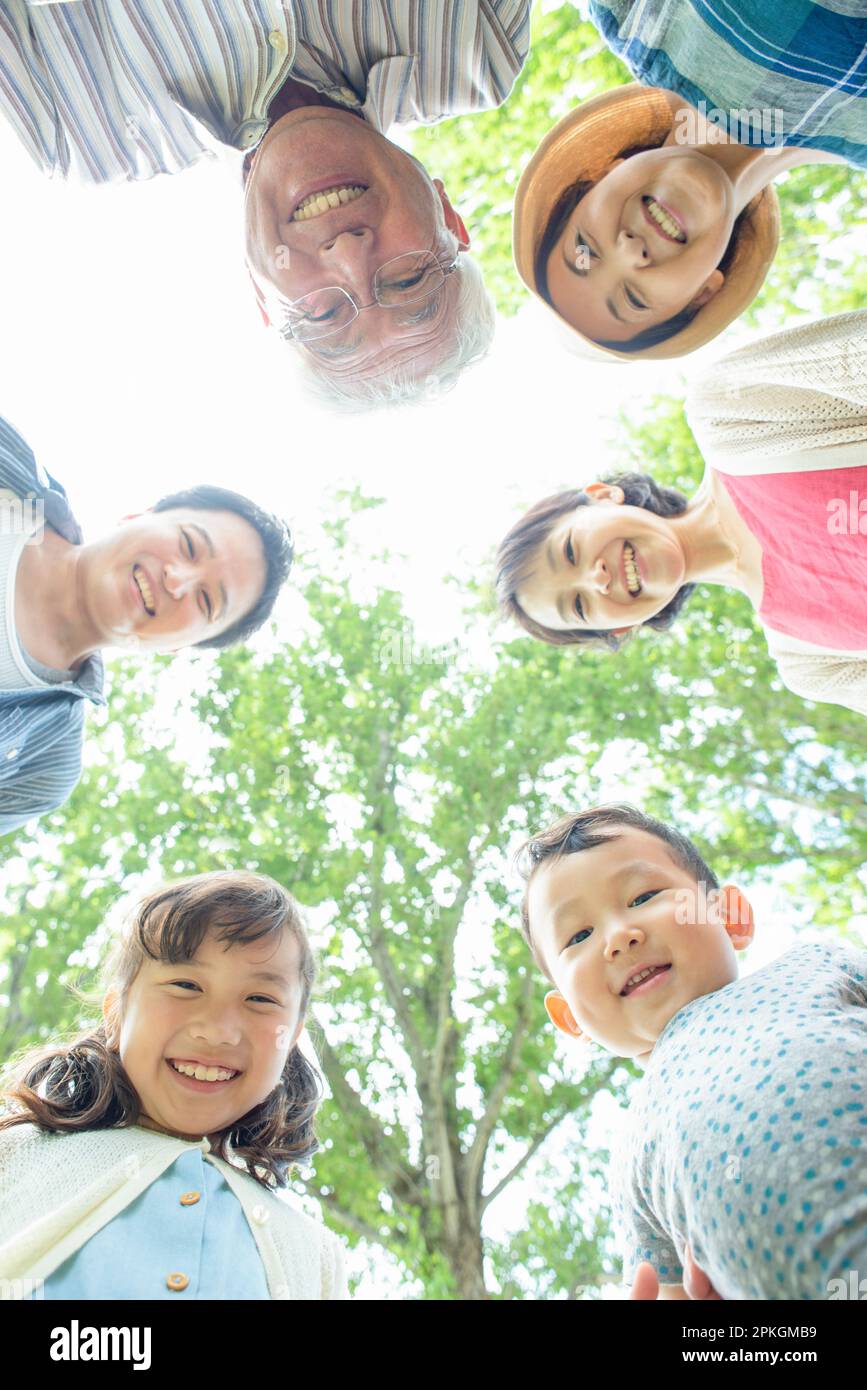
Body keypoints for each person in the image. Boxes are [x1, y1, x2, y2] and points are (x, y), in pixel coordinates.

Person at [0, 0, 531, 409]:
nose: (348, 252)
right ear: (450, 218)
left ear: (258, 290)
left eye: (324, 313)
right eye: (410, 280)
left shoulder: (79, 136)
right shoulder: (477, 48)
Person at [516, 802, 867, 1299]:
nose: (619, 936)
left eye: (644, 896)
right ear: (571, 1018)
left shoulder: (816, 963)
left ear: (730, 915)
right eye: (579, 935)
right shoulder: (631, 1157)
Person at [495, 309, 867, 717]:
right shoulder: (812, 662)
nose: (596, 577)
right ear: (622, 629)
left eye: (569, 551)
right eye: (580, 606)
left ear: (602, 496)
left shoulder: (731, 411)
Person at [0, 870, 348, 1300]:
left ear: (291, 1042)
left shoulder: (314, 1255)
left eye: (260, 999)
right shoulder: (14, 1158)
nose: (219, 1031)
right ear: (115, 1015)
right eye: (185, 985)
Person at [514, 0, 866, 360]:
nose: (631, 249)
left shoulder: (633, 11)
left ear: (601, 174)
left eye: (585, 249)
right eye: (634, 298)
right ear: (702, 293)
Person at [0, 415, 292, 835]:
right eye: (189, 544)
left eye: (206, 601)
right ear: (138, 515)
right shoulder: (12, 461)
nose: (177, 580)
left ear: (182, 647)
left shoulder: (43, 766)